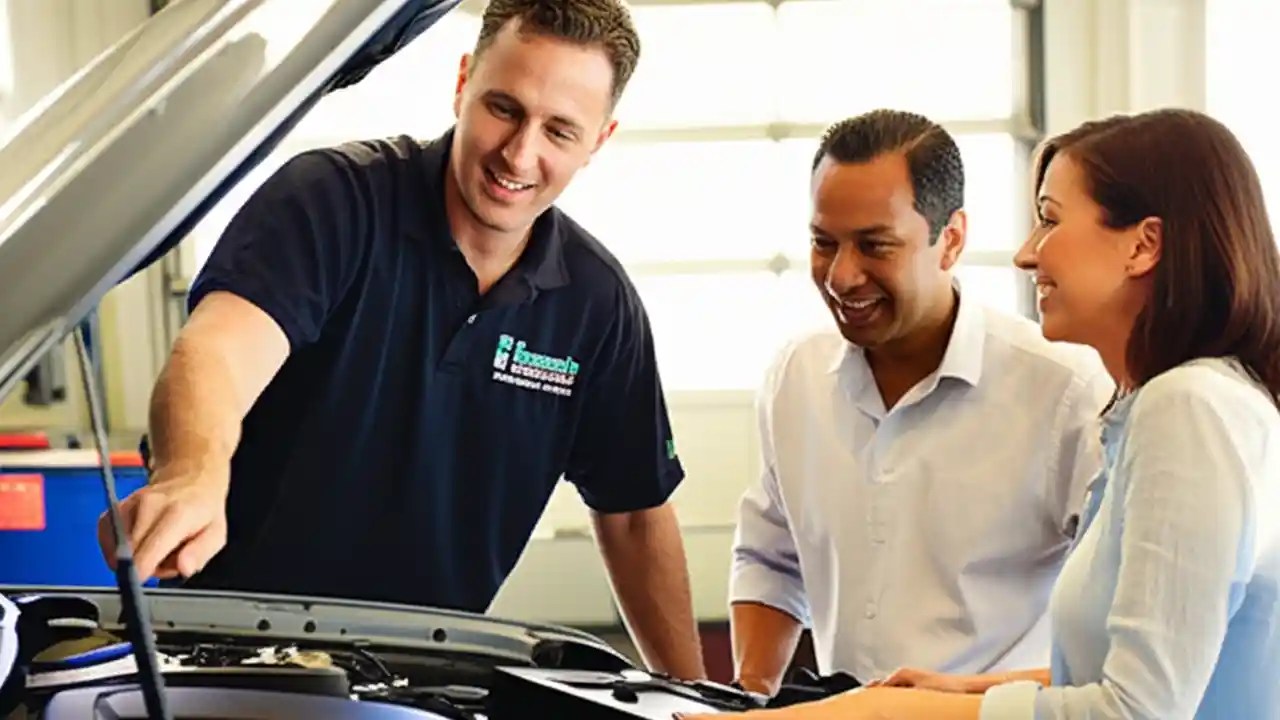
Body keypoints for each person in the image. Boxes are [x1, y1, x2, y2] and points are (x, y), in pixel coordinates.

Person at [97, 0, 707, 680]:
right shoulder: (332, 202)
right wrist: (191, 473)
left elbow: (634, 514)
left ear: (598, 140)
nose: (519, 153)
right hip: (226, 657)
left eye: (559, 131)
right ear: (463, 82)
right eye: (503, 108)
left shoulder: (598, 304)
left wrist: (692, 698)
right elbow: (218, 352)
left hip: (425, 679)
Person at [684, 108, 1280, 719]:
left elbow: (1134, 711)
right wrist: (953, 692)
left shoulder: (1184, 409)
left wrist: (883, 712)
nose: (1027, 254)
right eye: (823, 242)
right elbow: (1126, 674)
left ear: (1143, 245)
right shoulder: (1163, 406)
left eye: (1050, 220)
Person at [726, 109, 1114, 697]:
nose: (841, 276)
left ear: (950, 240)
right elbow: (770, 559)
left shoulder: (1066, 391)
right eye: (823, 243)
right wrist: (752, 698)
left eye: (875, 246)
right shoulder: (796, 376)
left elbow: (1117, 632)